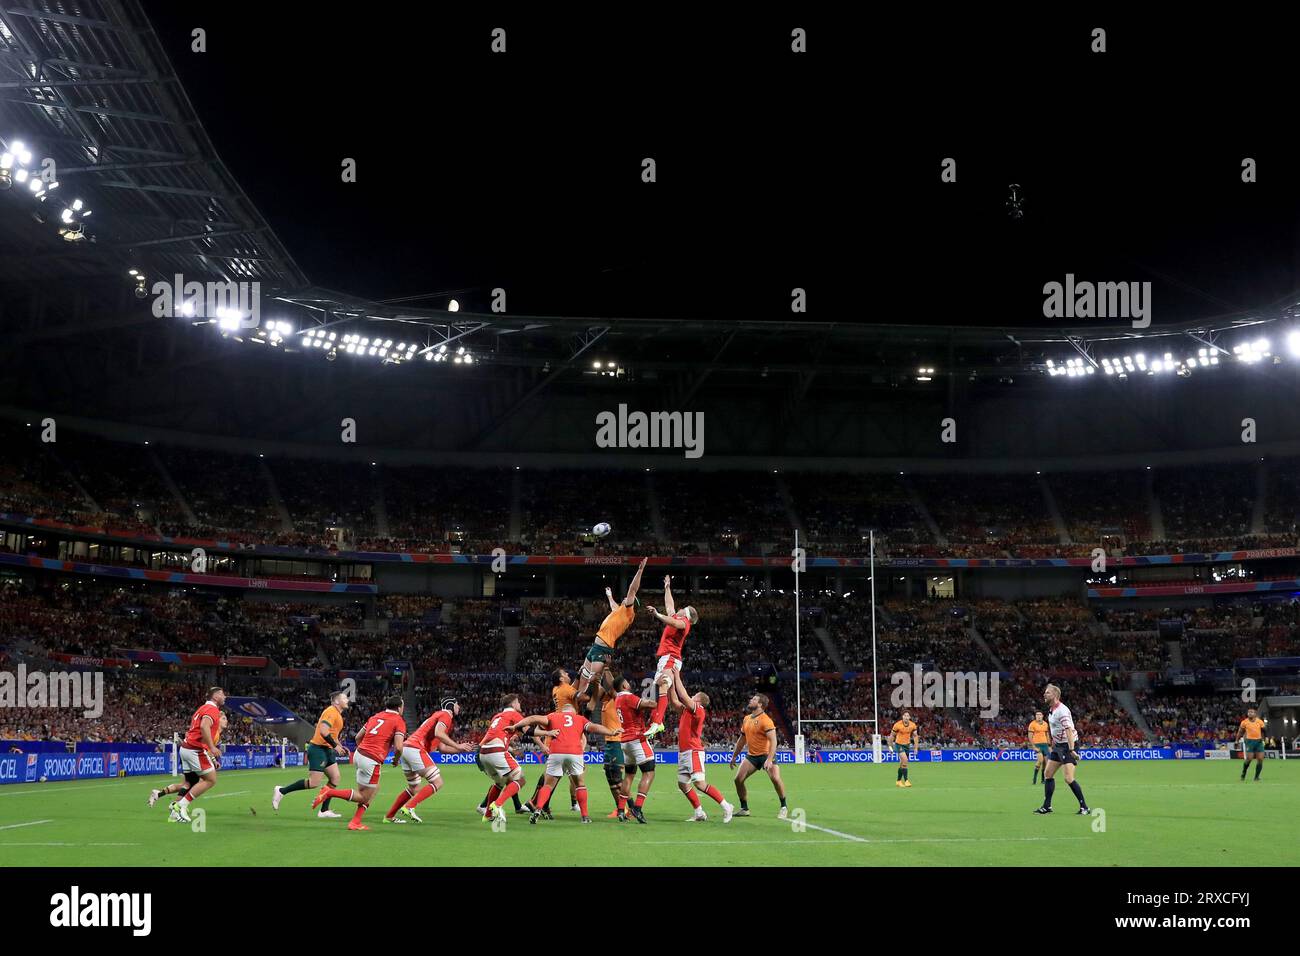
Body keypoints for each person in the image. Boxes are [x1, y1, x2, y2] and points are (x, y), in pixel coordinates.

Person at [512, 704, 618, 824]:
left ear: (563, 711)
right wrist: (611, 732)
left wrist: (516, 725)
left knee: (548, 785)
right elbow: (594, 727)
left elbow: (532, 718)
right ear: (574, 711)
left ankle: (538, 809)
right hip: (575, 753)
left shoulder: (553, 716)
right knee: (580, 784)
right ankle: (585, 816)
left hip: (556, 752)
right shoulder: (579, 718)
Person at [312, 696, 406, 831]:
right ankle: (329, 792)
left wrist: (364, 751)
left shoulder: (375, 717)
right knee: (363, 796)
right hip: (372, 759)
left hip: (359, 754)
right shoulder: (398, 721)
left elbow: (358, 737)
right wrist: (396, 760)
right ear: (399, 707)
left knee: (373, 789)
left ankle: (355, 822)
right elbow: (399, 747)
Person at [574, 557, 648, 713]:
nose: (625, 598)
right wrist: (609, 595)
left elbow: (632, 589)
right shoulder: (621, 611)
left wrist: (640, 571)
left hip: (603, 649)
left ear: (632, 603)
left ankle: (587, 713)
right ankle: (576, 710)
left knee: (593, 683)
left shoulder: (629, 611)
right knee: (582, 681)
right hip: (596, 647)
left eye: (628, 599)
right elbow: (614, 607)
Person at [385, 697, 474, 823]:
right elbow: (439, 733)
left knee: (414, 787)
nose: (458, 707)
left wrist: (461, 749)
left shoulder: (437, 716)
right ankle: (409, 806)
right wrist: (458, 745)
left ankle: (389, 816)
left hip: (407, 748)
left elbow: (442, 748)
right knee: (438, 782)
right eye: (457, 704)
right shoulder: (446, 715)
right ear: (451, 705)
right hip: (416, 748)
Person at [667, 669, 733, 822]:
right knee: (683, 784)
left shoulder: (699, 710)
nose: (692, 696)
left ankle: (726, 806)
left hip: (693, 751)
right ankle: (699, 812)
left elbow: (683, 695)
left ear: (699, 700)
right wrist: (670, 684)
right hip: (684, 752)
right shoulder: (687, 710)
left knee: (699, 783)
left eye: (695, 695)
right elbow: (674, 701)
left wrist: (676, 675)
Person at [273, 689, 350, 817]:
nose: (347, 700)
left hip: (327, 749)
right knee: (314, 783)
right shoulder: (331, 711)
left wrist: (340, 747)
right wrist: (335, 746)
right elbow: (323, 731)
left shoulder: (338, 715)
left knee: (335, 778)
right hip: (318, 749)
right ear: (337, 701)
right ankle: (281, 790)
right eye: (344, 698)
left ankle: (324, 810)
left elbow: (333, 735)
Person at [643, 574, 699, 739]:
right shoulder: (676, 616)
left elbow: (673, 623)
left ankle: (657, 722)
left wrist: (657, 614)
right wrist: (667, 586)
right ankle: (660, 720)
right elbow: (669, 604)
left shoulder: (684, 623)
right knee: (669, 697)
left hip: (671, 658)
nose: (679, 609)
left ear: (686, 614)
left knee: (663, 684)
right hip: (667, 658)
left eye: (683, 608)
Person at [170, 687, 225, 823]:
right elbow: (204, 726)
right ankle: (180, 806)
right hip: (195, 749)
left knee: (190, 782)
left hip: (186, 748)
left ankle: (174, 814)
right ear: (215, 696)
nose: (225, 697)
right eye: (222, 694)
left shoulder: (202, 708)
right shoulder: (212, 709)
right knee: (211, 779)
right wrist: (212, 747)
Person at [729, 693, 787, 819]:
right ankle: (744, 809)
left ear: (760, 704)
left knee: (775, 779)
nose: (751, 700)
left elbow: (773, 741)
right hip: (752, 756)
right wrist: (734, 756)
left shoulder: (766, 720)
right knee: (738, 780)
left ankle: (783, 807)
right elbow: (742, 739)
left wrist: (769, 759)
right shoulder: (746, 719)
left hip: (766, 755)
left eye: (754, 699)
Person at [1035, 683, 1090, 816]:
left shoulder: (1062, 710)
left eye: (1047, 692)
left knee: (1068, 778)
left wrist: (1071, 749)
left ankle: (1084, 807)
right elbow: (1056, 729)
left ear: (1055, 695)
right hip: (1059, 746)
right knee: (1048, 774)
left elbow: (1069, 730)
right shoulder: (1051, 710)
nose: (1044, 694)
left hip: (1068, 746)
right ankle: (1047, 806)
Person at [889, 711, 918, 788]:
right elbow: (892, 736)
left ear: (909, 717)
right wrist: (890, 747)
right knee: (905, 760)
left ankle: (898, 781)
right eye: (905, 715)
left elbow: (915, 736)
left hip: (907, 745)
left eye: (907, 716)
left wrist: (916, 748)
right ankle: (906, 781)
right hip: (899, 744)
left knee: (902, 764)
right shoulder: (897, 725)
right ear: (902, 717)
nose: (906, 717)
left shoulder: (913, 725)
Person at [1237, 707, 1266, 782]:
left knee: (1260, 759)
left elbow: (1264, 730)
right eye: (1249, 712)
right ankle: (1243, 773)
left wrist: (1264, 739)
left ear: (1255, 714)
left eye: (1251, 712)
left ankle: (1256, 777)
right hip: (1250, 742)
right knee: (1249, 759)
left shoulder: (1259, 721)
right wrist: (1236, 741)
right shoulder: (1244, 722)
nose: (1250, 713)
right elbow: (1240, 732)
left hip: (1259, 742)